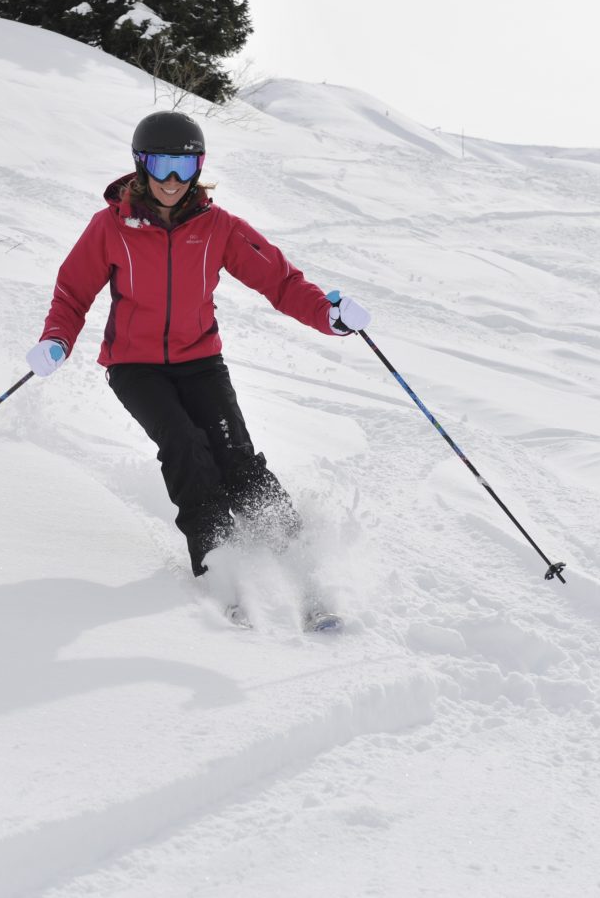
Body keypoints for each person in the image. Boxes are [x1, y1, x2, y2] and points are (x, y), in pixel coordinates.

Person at [27, 111, 372, 580]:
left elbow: (281, 281)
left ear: (199, 169)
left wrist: (327, 315)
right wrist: (56, 340)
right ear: (141, 165)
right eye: (162, 165)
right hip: (135, 367)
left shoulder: (218, 227)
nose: (172, 180)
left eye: (185, 168)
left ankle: (296, 551)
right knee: (185, 445)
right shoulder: (110, 228)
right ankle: (219, 565)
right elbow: (72, 290)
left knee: (236, 455)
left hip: (201, 361)